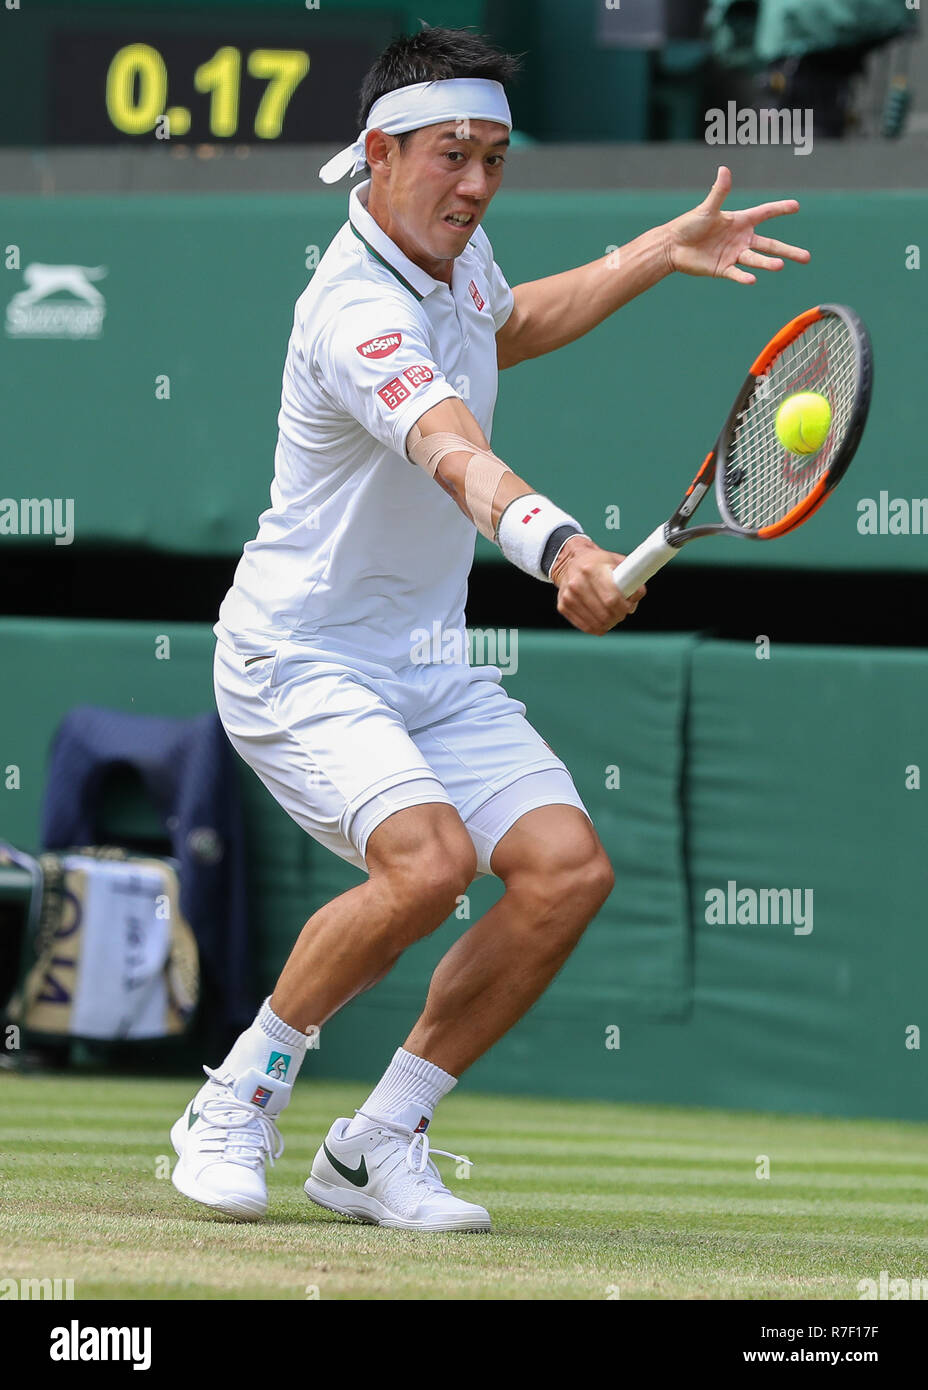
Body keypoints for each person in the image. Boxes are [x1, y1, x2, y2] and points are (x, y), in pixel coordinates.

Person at [170, 25, 810, 1232]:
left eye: (496, 160)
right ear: (378, 153)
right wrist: (563, 548)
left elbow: (505, 324)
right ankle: (233, 1101)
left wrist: (658, 252)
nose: (474, 185)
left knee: (566, 873)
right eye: (452, 157)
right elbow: (452, 449)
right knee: (427, 866)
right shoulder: (354, 312)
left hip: (423, 660)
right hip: (296, 658)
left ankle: (376, 1140)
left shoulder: (452, 255)